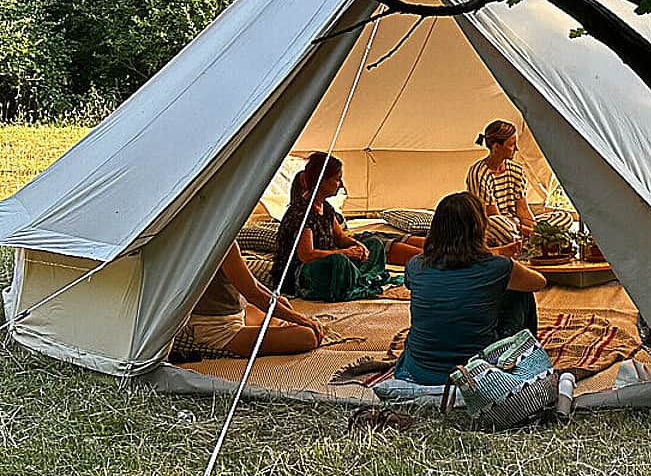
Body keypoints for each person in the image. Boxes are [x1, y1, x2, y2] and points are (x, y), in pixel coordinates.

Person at [395, 191, 547, 385]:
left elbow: (450, 274)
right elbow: (539, 282)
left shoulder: (416, 265)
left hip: (419, 370)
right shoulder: (498, 267)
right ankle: (520, 360)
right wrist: (504, 261)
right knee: (519, 293)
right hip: (477, 371)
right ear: (480, 227)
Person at [272, 152, 422, 300]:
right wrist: (346, 253)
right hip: (301, 274)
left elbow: (340, 237)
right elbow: (306, 255)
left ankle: (358, 279)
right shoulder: (302, 212)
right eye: (337, 179)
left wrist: (357, 245)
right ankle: (359, 280)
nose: (341, 184)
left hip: (327, 262)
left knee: (374, 244)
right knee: (339, 261)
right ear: (321, 180)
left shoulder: (326, 208)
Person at [182, 241, 325, 357]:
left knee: (281, 309)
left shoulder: (202, 235)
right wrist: (304, 320)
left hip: (236, 313)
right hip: (218, 329)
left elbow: (252, 284)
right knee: (308, 336)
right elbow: (254, 295)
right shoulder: (221, 242)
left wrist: (274, 297)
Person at [466, 119, 572, 245]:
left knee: (564, 217)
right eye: (511, 145)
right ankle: (531, 240)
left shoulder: (516, 170)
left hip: (517, 225)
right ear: (496, 147)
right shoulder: (479, 173)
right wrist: (525, 230)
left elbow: (523, 210)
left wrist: (534, 227)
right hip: (494, 226)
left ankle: (529, 241)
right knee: (498, 224)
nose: (516, 148)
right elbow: (490, 215)